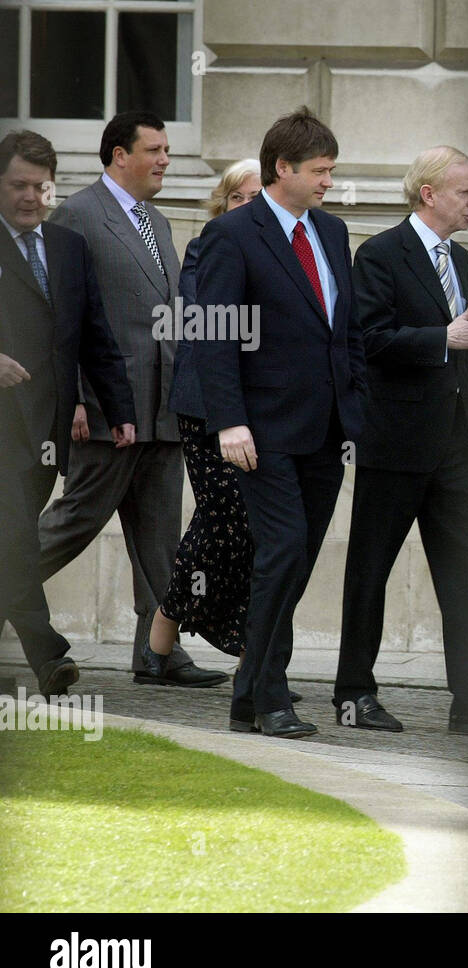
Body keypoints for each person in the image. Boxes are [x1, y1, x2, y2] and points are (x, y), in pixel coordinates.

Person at [194, 107, 368, 738]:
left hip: (325, 429)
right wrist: (228, 422)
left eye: (331, 170)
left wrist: (355, 405)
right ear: (282, 168)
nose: (328, 181)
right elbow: (211, 336)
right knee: (282, 549)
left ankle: (248, 694)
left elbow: (342, 330)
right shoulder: (233, 235)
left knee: (294, 560)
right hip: (260, 431)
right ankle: (270, 697)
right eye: (320, 171)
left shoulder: (333, 231)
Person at [39, 111, 225, 689]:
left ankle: (158, 652)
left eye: (170, 149)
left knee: (161, 540)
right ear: (119, 154)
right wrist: (72, 399)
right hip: (105, 413)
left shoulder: (158, 221)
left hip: (163, 411)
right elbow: (58, 318)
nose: (166, 159)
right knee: (74, 523)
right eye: (155, 149)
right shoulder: (77, 214)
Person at [336, 147, 468, 735]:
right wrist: (443, 337)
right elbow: (370, 339)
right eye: (465, 191)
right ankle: (355, 693)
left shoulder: (460, 259)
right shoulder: (380, 254)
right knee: (370, 570)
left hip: (456, 445)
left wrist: (452, 340)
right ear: (429, 193)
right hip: (395, 441)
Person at [144, 160, 309, 698]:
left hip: (261, 407)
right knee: (222, 516)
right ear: (225, 202)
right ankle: (170, 635)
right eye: (241, 198)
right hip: (207, 405)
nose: (251, 207)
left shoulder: (289, 245)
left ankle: (243, 653)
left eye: (259, 197)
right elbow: (209, 320)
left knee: (256, 526)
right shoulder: (212, 244)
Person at [0, 130, 137, 697]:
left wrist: (120, 409)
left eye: (40, 185)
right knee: (16, 542)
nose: (30, 196)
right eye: (17, 185)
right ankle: (48, 654)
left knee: (12, 542)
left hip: (47, 433)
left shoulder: (66, 247)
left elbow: (95, 336)